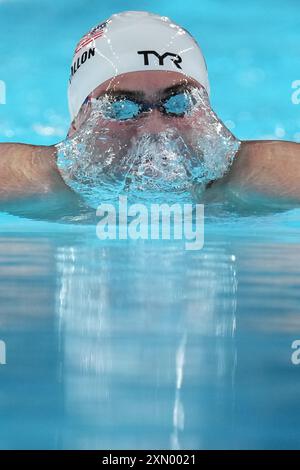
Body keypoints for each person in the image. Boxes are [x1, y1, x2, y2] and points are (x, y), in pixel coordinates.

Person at [0, 10, 300, 206]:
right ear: (78, 123)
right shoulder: (36, 187)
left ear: (208, 113)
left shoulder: (262, 177)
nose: (156, 128)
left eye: (179, 103)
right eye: (121, 107)